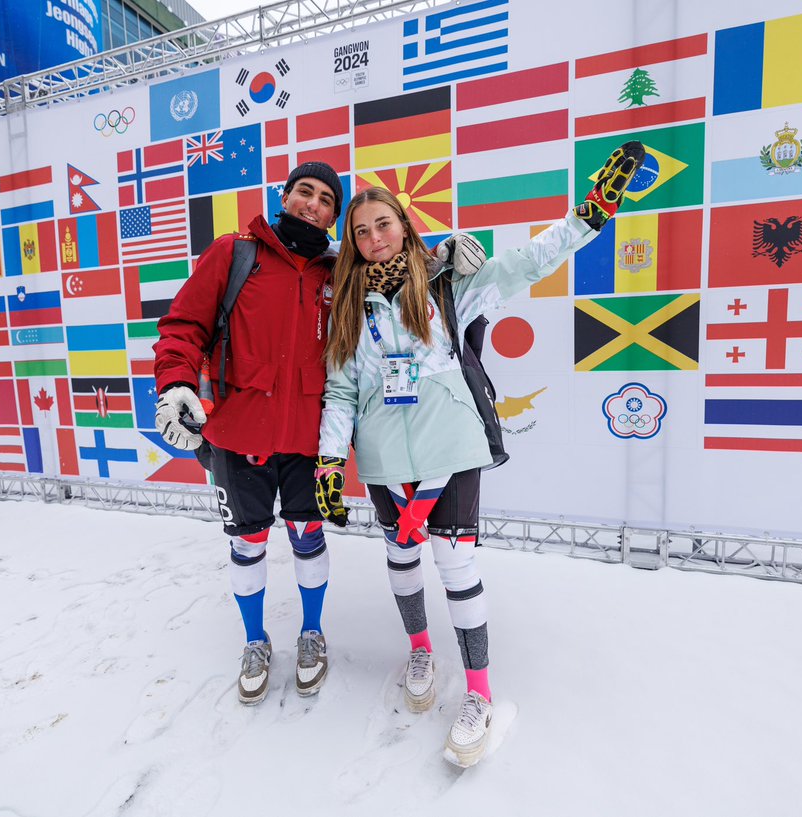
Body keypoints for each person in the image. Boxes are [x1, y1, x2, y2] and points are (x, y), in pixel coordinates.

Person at [314, 141, 645, 766]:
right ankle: (419, 649)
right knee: (402, 559)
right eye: (361, 231)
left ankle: (479, 694)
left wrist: (589, 214)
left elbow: (527, 262)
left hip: (452, 453)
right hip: (384, 461)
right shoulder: (349, 311)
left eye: (383, 223)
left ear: (403, 226)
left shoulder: (450, 287)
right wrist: (331, 461)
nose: (374, 237)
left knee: (455, 567)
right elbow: (341, 390)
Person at [152, 162, 344, 706]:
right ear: (284, 196)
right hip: (238, 435)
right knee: (248, 541)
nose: (313, 203)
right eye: (304, 191)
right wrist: (176, 383)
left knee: (308, 537)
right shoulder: (236, 253)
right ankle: (255, 640)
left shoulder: (339, 270)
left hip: (312, 439)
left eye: (326, 198)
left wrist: (443, 263)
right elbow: (183, 326)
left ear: (334, 213)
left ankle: (312, 632)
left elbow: (394, 273)